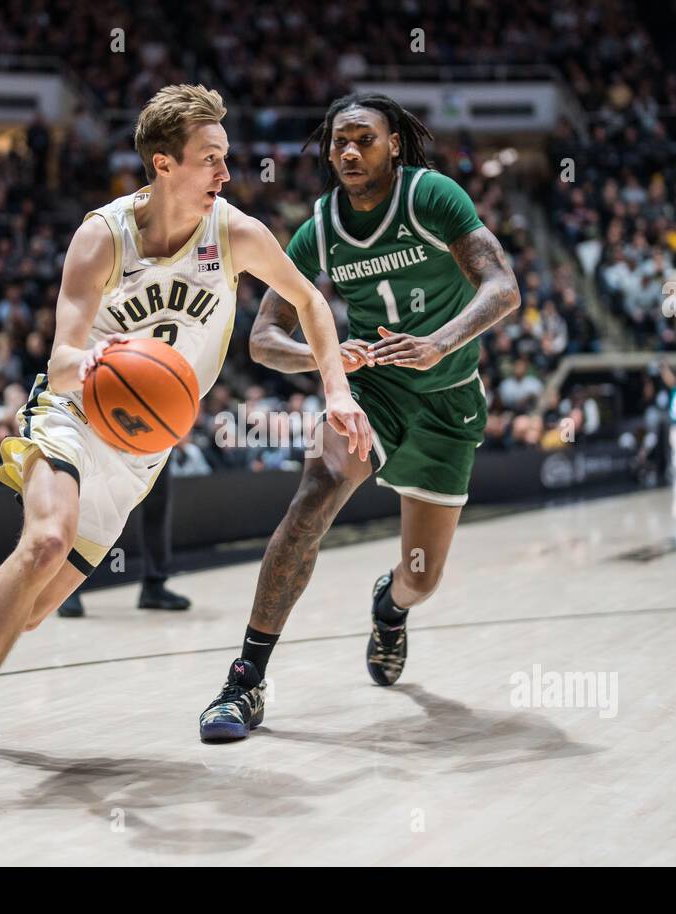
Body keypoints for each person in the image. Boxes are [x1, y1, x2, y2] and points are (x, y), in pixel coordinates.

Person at [0, 85, 371, 807]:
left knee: (30, 607)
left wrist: (337, 391)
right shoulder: (102, 237)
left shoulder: (236, 234)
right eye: (210, 160)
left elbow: (311, 302)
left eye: (226, 158)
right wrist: (104, 363)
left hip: (140, 450)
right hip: (73, 412)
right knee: (42, 543)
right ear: (163, 164)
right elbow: (63, 352)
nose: (227, 174)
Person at [194, 93, 520, 741]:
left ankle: (390, 607)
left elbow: (503, 286)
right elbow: (263, 340)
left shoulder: (433, 198)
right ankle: (245, 680)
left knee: (422, 579)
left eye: (363, 139)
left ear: (394, 143)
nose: (348, 151)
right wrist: (325, 356)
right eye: (339, 141)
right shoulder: (319, 229)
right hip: (370, 393)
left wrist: (439, 343)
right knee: (312, 499)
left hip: (449, 398)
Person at [56, 456, 191, 617]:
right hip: (106, 434)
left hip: (157, 438)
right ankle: (66, 587)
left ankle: (154, 584)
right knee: (90, 497)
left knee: (157, 501)